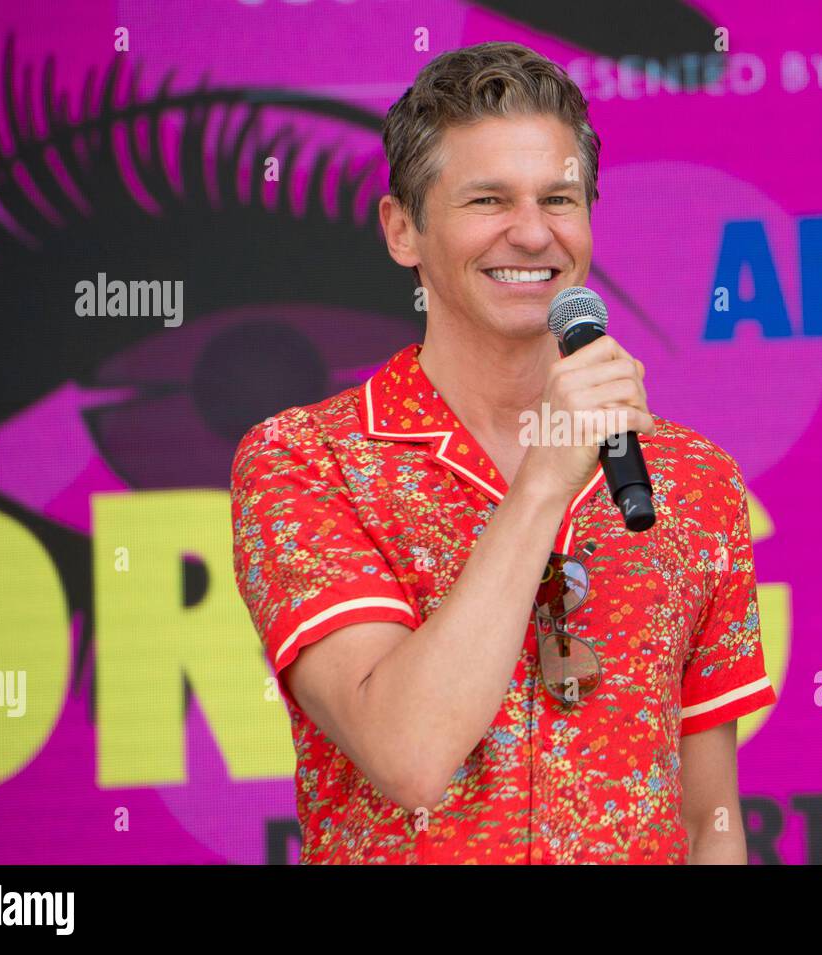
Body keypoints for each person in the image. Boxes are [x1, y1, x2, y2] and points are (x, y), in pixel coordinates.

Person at [230, 41, 776, 864]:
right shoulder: (306, 460)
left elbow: (710, 821)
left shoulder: (693, 479)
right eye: (488, 200)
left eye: (558, 197)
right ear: (402, 229)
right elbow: (409, 753)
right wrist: (544, 482)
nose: (530, 233)